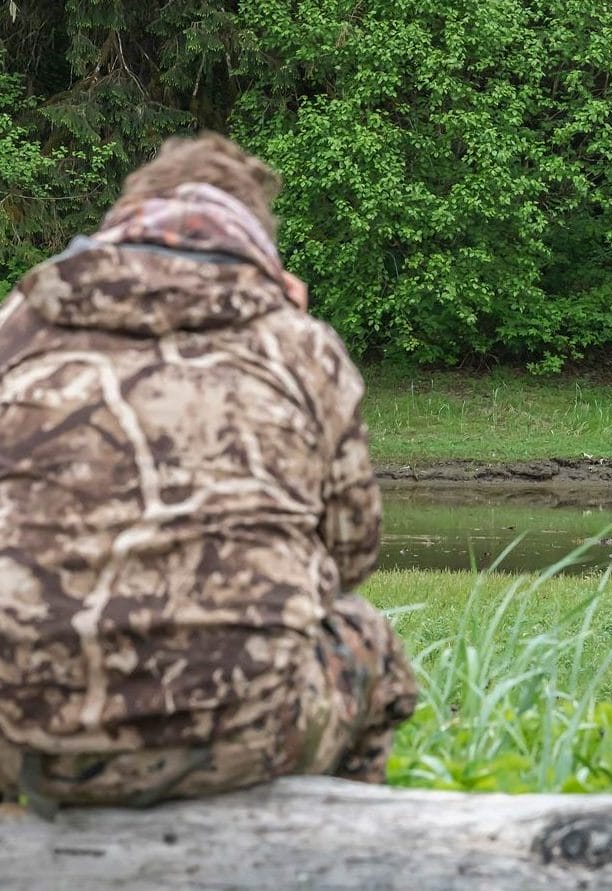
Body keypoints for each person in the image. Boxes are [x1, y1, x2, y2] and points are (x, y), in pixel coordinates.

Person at [0, 132, 417, 816]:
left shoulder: (20, 323)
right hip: (239, 728)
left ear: (127, 218)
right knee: (369, 643)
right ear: (253, 237)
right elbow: (352, 555)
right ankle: (322, 845)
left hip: (18, 725)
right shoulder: (300, 345)